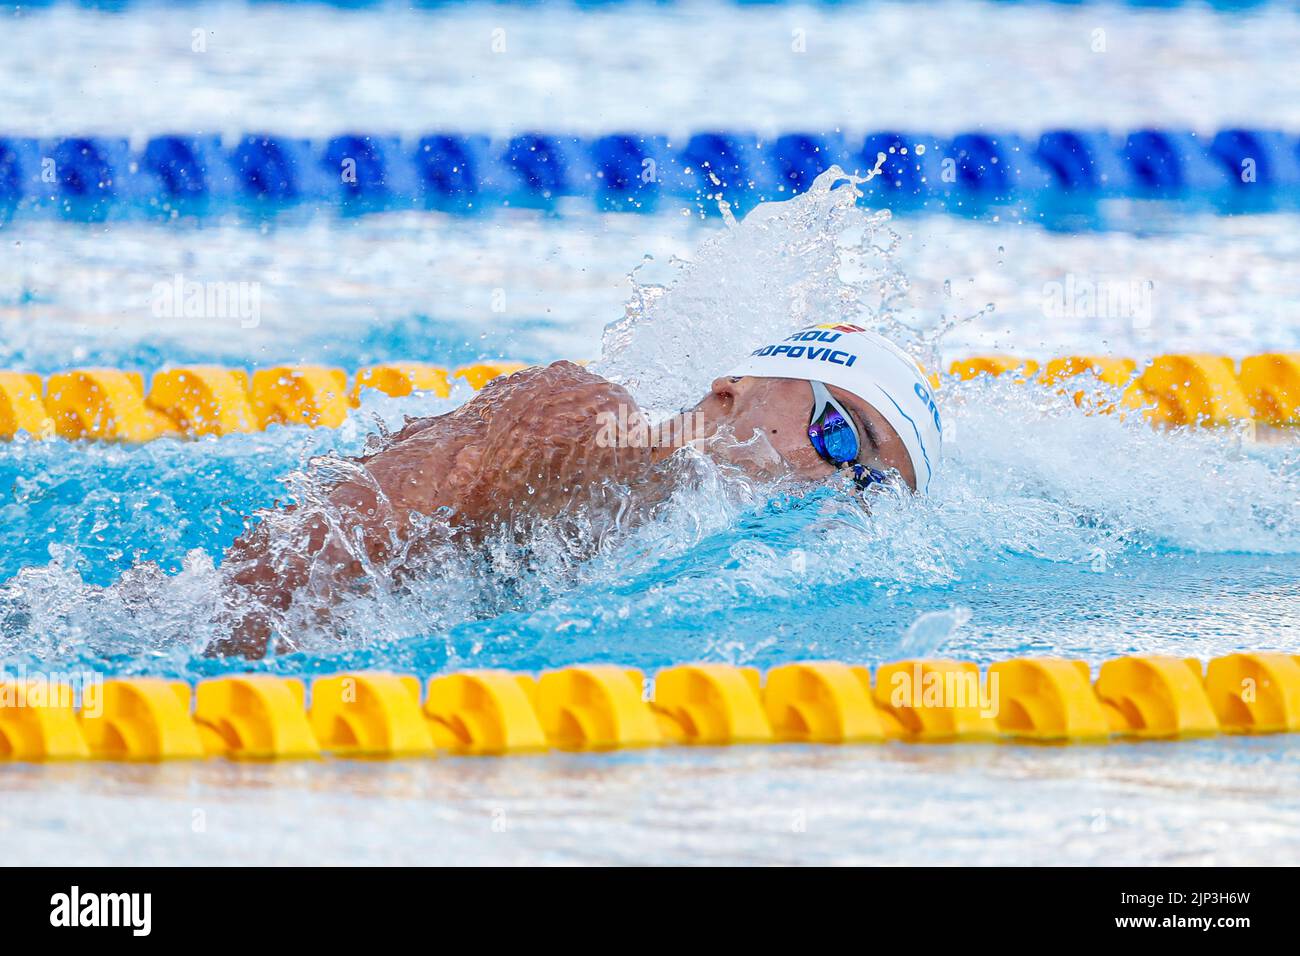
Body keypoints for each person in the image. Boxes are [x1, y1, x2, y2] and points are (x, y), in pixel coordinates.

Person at [212, 323, 942, 657]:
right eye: (840, 435)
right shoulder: (567, 417)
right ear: (732, 390)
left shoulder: (683, 570)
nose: (831, 482)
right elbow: (279, 580)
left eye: (868, 488)